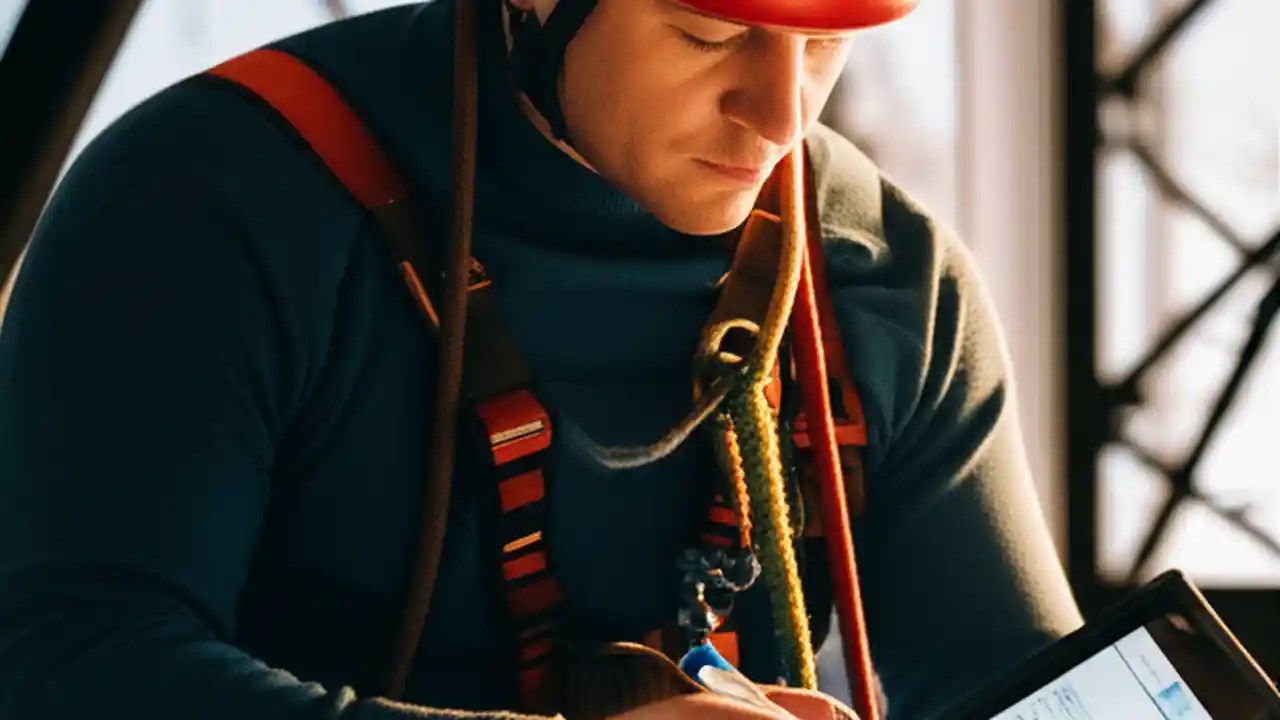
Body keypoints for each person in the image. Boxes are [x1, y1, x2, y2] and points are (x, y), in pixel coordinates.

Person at [0, 0, 1083, 718]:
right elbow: (64, 670)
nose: (778, 116)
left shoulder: (884, 281)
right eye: (709, 35)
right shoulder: (206, 203)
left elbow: (1024, 686)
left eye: (827, 42)